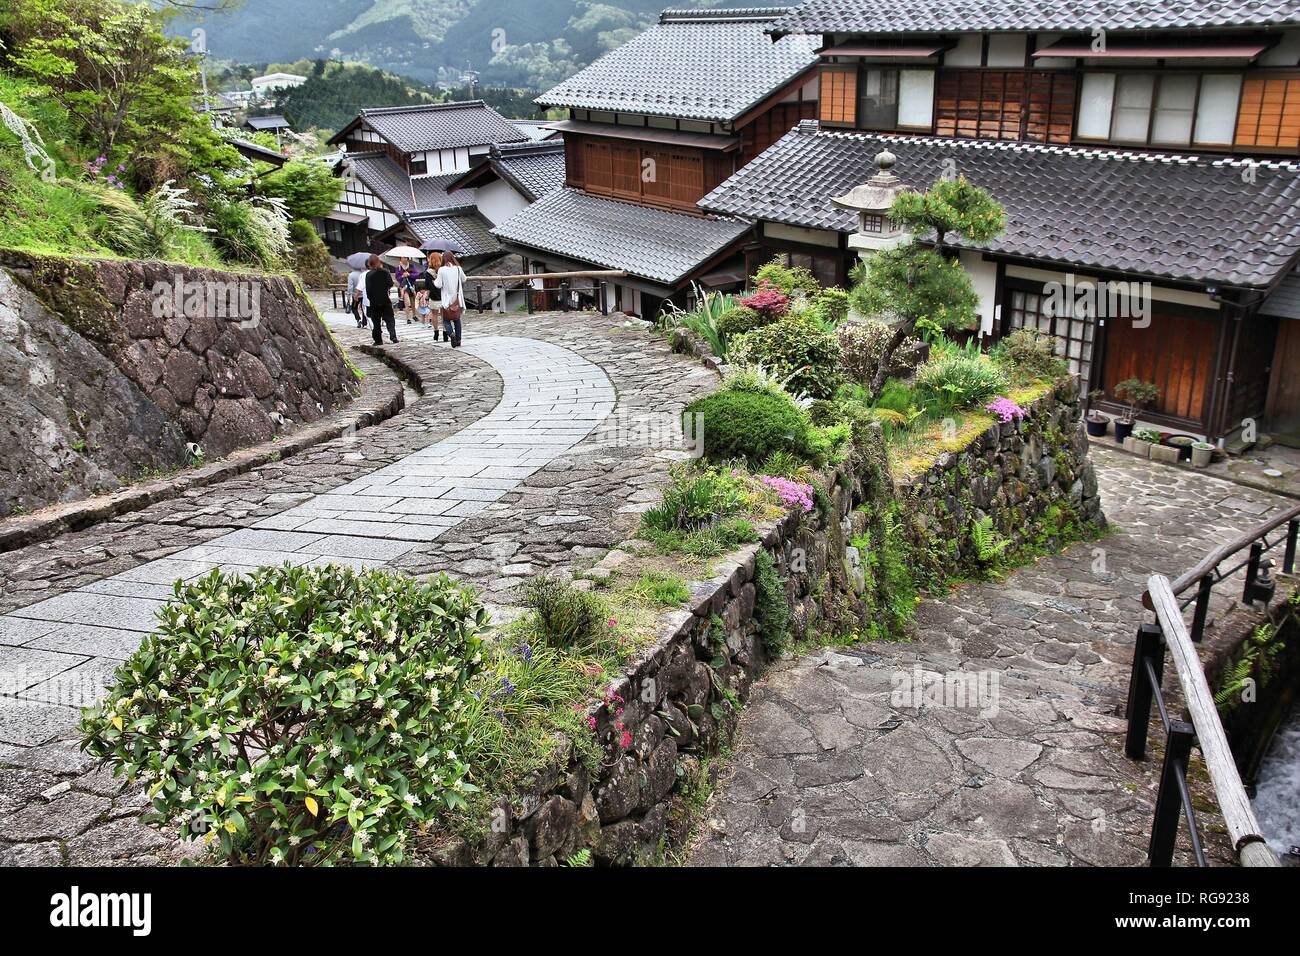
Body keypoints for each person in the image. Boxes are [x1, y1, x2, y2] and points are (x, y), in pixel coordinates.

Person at [434, 251, 467, 348]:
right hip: (457, 298)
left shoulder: (441, 270)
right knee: (457, 319)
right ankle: (458, 340)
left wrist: (435, 280)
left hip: (446, 298)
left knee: (446, 319)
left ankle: (451, 333)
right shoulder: (458, 268)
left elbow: (438, 284)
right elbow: (464, 279)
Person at [364, 254, 397, 346]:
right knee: (389, 318)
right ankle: (393, 335)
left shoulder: (369, 274)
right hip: (385, 298)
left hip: (374, 301)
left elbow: (368, 289)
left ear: (369, 263)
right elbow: (390, 283)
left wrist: (370, 298)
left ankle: (378, 340)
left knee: (376, 321)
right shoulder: (385, 272)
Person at [420, 251, 444, 339]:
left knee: (434, 314)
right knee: (443, 315)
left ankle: (436, 332)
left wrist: (427, 296)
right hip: (443, 295)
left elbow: (427, 286)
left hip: (433, 296)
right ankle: (445, 332)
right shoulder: (443, 271)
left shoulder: (428, 273)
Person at [394, 257, 420, 324]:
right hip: (404, 287)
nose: (404, 259)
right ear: (400, 259)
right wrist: (402, 276)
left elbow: (417, 274)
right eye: (403, 258)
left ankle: (414, 315)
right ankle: (408, 318)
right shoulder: (399, 268)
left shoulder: (411, 266)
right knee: (407, 302)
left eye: (405, 258)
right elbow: (397, 277)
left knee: (413, 302)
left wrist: (409, 274)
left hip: (411, 286)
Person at [346, 264, 367, 328]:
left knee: (354, 308)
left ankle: (358, 319)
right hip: (363, 294)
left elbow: (350, 287)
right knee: (363, 308)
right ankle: (364, 323)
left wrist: (348, 296)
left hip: (355, 294)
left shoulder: (351, 275)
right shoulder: (363, 274)